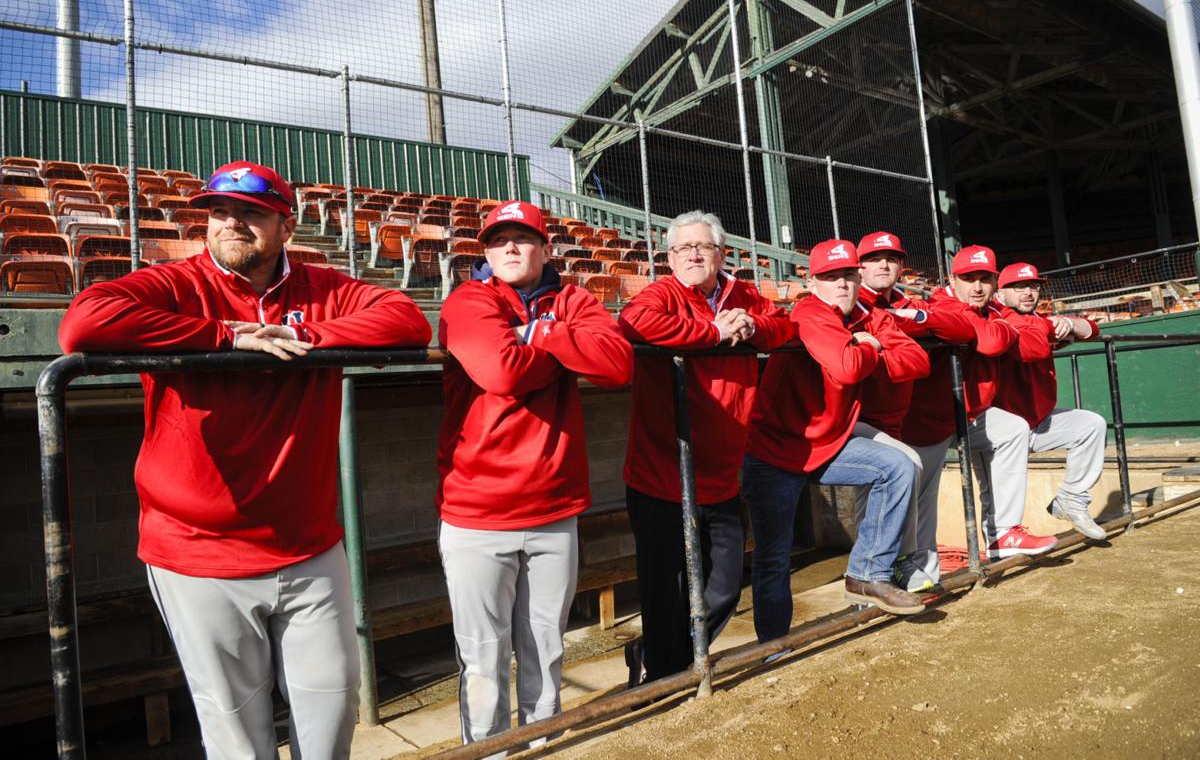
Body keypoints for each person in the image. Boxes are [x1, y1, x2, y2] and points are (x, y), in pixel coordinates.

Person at [58, 161, 433, 759]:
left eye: (251, 213)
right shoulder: (176, 283)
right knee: (238, 737)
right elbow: (82, 324)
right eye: (218, 212)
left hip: (309, 545)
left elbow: (407, 319)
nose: (231, 223)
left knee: (333, 709)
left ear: (285, 225)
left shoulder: (322, 287)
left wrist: (302, 335)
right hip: (198, 552)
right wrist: (225, 336)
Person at [436, 200, 632, 750]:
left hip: (554, 509)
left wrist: (539, 335)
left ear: (546, 249)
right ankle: (490, 748)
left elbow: (617, 365)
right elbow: (500, 372)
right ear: (487, 252)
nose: (511, 248)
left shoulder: (573, 298)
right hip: (478, 511)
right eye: (499, 241)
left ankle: (544, 740)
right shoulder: (470, 299)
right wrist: (566, 345)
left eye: (524, 238)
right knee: (482, 652)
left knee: (546, 646)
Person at [618, 211, 794, 685]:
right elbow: (635, 322)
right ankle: (666, 682)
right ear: (670, 256)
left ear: (721, 253)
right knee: (665, 590)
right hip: (661, 470)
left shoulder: (745, 296)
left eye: (703, 247)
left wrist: (751, 328)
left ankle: (656, 655)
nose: (693, 254)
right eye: (682, 248)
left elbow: (784, 326)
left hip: (719, 472)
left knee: (725, 588)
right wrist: (714, 333)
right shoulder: (664, 292)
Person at [744, 238, 930, 639]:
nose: (841, 285)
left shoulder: (869, 316)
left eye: (847, 275)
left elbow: (918, 360)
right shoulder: (810, 311)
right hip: (775, 450)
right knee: (775, 557)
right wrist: (867, 348)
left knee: (897, 465)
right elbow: (846, 367)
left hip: (828, 444)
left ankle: (867, 574)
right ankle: (771, 646)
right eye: (830, 277)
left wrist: (870, 345)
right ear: (813, 283)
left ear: (858, 277)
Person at [900, 245, 1058, 561]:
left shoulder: (994, 312)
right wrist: (998, 329)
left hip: (970, 414)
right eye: (968, 278)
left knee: (1012, 428)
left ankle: (1003, 533)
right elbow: (990, 339)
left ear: (995, 282)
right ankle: (910, 568)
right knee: (919, 498)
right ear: (952, 279)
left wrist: (1002, 328)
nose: (976, 287)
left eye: (984, 279)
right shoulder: (942, 304)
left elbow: (1033, 347)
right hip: (925, 420)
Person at [855, 231, 974, 592]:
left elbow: (963, 326)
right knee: (872, 508)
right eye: (875, 259)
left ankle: (920, 576)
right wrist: (897, 319)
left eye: (891, 258)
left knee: (922, 501)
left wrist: (911, 317)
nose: (884, 265)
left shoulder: (908, 302)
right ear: (859, 267)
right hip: (861, 419)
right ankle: (868, 586)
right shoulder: (850, 299)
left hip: (905, 419)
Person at [993, 262, 1108, 539]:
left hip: (1037, 421)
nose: (1029, 292)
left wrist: (1070, 323)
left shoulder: (1037, 319)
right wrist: (1058, 328)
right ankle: (998, 549)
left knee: (1091, 424)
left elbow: (1093, 329)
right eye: (1019, 287)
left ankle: (1071, 499)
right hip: (999, 427)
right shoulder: (995, 316)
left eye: (1033, 286)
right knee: (995, 501)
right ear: (1001, 293)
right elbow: (1025, 327)